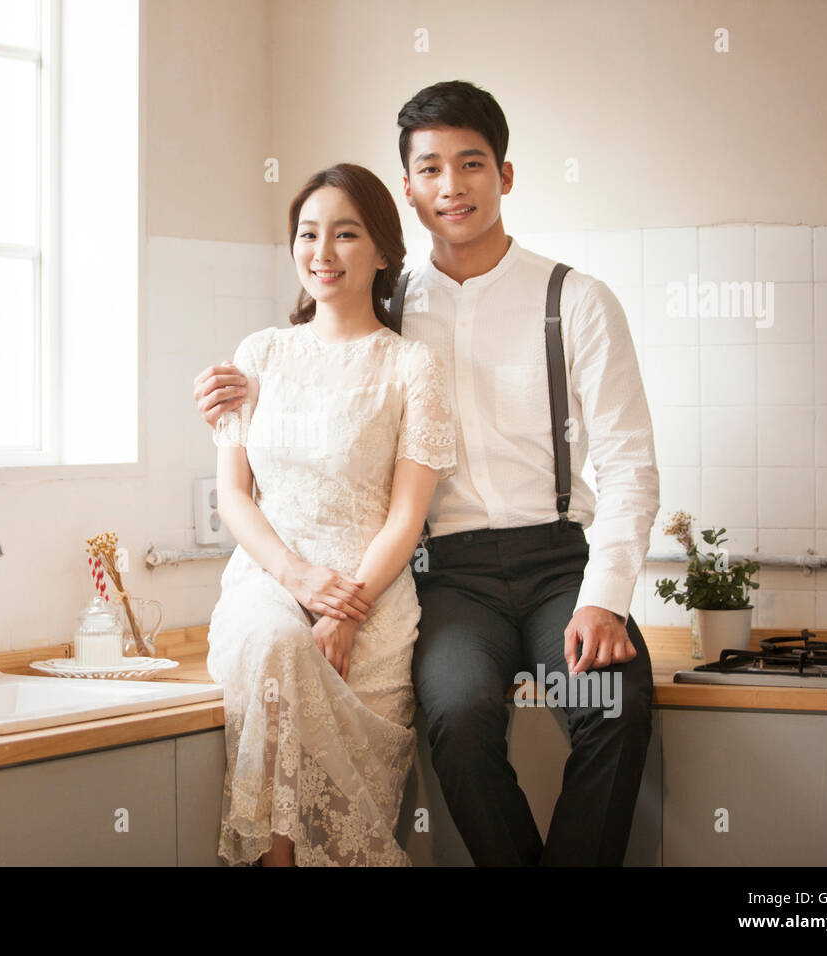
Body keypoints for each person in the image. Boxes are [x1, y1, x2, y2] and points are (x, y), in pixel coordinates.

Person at [194, 81, 660, 866]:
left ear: (504, 177)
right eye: (431, 169)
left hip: (559, 574)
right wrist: (234, 392)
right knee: (456, 716)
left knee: (610, 703)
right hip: (450, 582)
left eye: (471, 164)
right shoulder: (387, 305)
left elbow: (630, 468)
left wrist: (605, 601)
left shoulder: (575, 301)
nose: (453, 187)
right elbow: (315, 363)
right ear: (406, 189)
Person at [204, 162, 457, 866]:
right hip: (267, 583)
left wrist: (344, 610)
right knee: (280, 647)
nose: (322, 253)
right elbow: (233, 495)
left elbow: (407, 516)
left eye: (345, 235)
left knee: (350, 831)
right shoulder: (259, 356)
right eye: (308, 234)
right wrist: (297, 578)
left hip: (371, 604)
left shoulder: (413, 367)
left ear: (383, 252)